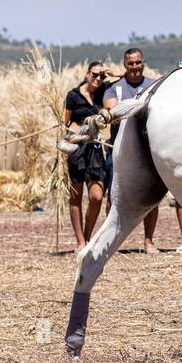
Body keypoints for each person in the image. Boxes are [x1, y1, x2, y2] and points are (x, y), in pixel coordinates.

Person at [101, 48, 166, 252]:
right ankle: (109, 241)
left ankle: (148, 240)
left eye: (138, 63)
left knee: (152, 198)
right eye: (131, 63)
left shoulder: (154, 86)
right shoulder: (114, 89)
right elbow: (114, 111)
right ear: (125, 65)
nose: (135, 67)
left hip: (149, 152)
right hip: (119, 151)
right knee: (113, 197)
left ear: (143, 63)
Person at [63, 62, 110, 249]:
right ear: (87, 74)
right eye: (94, 75)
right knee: (76, 196)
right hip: (77, 148)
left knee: (97, 196)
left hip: (96, 149)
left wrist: (110, 73)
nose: (98, 79)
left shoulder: (103, 91)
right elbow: (65, 122)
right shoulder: (73, 96)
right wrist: (77, 130)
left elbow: (124, 76)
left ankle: (89, 234)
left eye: (102, 76)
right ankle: (81, 241)